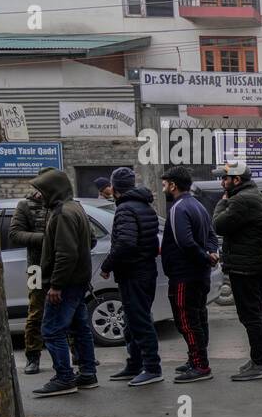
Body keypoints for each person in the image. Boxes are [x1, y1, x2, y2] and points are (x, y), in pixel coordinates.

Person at [30, 169, 100, 397]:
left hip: (66, 284)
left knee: (51, 330)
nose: (38, 196)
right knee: (80, 328)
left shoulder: (62, 213)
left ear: (52, 190)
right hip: (78, 282)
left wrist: (56, 285)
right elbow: (91, 240)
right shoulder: (75, 207)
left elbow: (66, 254)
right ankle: (88, 374)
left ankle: (64, 378)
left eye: (41, 191)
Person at [98, 167, 162, 387]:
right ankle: (134, 364)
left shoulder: (125, 209)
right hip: (145, 270)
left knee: (140, 320)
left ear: (114, 188)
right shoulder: (144, 205)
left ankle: (152, 368)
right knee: (132, 321)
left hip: (134, 273)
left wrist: (107, 265)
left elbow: (125, 243)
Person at [212, 161, 262, 380]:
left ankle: (259, 365)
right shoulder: (252, 195)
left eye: (225, 178)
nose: (222, 182)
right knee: (255, 314)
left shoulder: (241, 200)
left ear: (236, 180)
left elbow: (218, 225)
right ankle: (258, 359)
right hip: (251, 264)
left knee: (251, 316)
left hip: (246, 268)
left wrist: (222, 204)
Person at [160, 166, 218, 383]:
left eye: (165, 184)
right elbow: (212, 235)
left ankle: (201, 365)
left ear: (173, 185)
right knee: (198, 318)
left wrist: (205, 256)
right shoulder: (198, 205)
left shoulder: (178, 208)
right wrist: (211, 253)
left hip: (185, 275)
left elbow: (185, 242)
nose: (164, 188)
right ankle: (195, 359)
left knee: (186, 320)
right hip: (199, 273)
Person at [10, 171, 53, 375]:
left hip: (61, 266)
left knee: (71, 312)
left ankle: (78, 354)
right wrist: (45, 238)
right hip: (36, 268)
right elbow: (15, 234)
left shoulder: (61, 203)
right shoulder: (25, 206)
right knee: (36, 312)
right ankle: (33, 357)